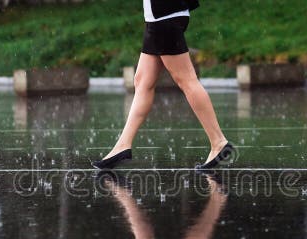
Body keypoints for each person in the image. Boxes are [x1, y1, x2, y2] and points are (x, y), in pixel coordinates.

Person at [92, 0, 234, 170]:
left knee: (187, 80)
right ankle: (123, 145)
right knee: (143, 80)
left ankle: (218, 141)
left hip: (163, 16)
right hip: (164, 15)